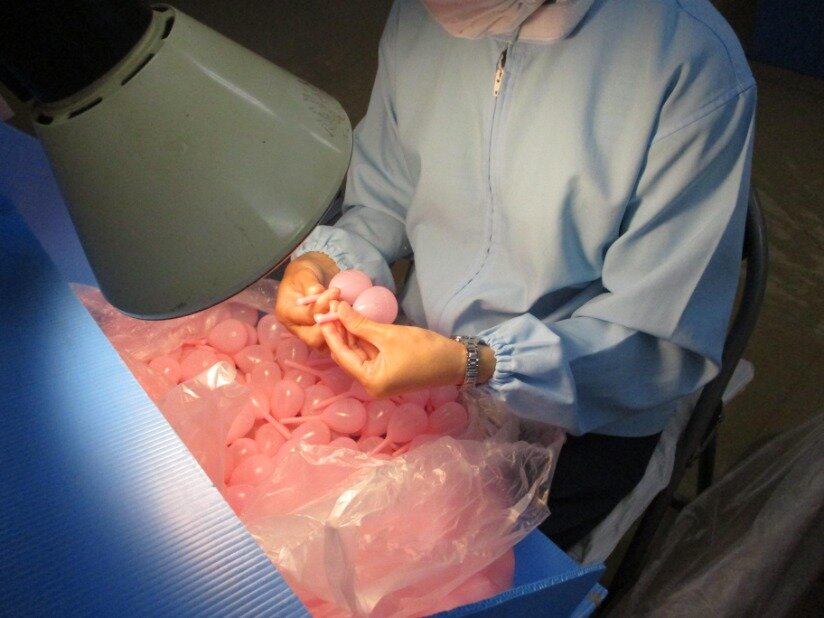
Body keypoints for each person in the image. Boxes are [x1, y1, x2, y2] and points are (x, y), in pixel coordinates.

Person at [275, 0, 756, 550]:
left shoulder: (687, 62)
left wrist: (477, 362)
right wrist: (328, 262)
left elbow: (655, 343)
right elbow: (388, 192)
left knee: (424, 564)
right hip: (418, 366)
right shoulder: (426, 15)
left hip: (580, 417)